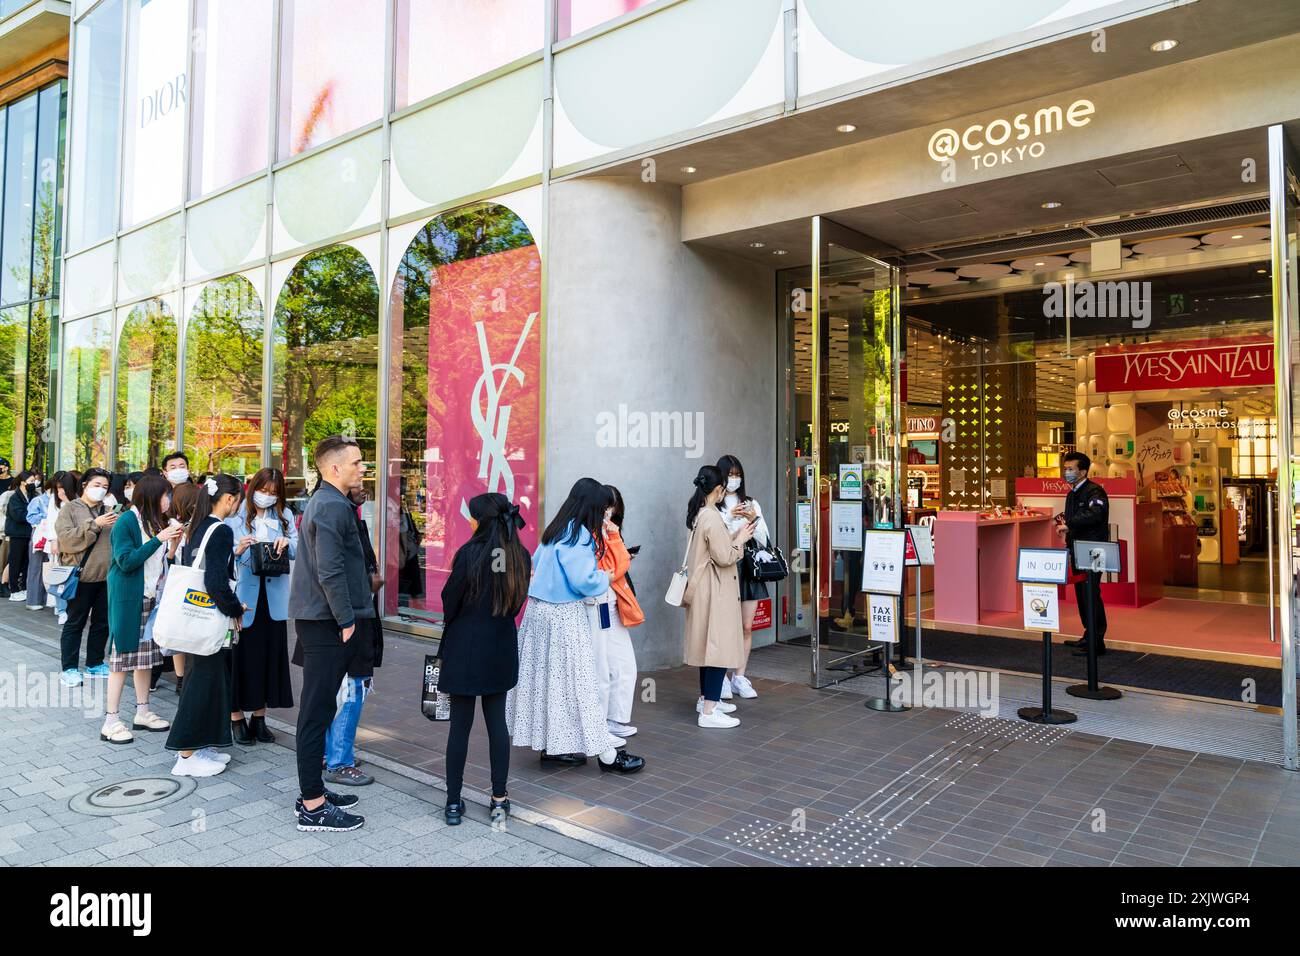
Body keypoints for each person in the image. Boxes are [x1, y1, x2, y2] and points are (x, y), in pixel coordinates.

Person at [507, 477, 644, 774]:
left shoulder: (555, 530)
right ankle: (606, 755)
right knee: (580, 685)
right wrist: (605, 577)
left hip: (538, 615)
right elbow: (585, 581)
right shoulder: (578, 534)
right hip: (564, 616)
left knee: (548, 684)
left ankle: (555, 746)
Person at [288, 436, 369, 832]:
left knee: (319, 709)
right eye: (356, 462)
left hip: (321, 619)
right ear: (334, 468)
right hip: (326, 622)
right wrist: (346, 619)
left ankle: (313, 792)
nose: (362, 467)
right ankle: (313, 807)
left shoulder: (330, 503)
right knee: (316, 711)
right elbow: (330, 570)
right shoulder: (331, 506)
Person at [437, 493, 530, 826]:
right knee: (497, 726)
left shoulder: (470, 554)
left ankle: (452, 801)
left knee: (459, 728)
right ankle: (499, 799)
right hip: (500, 648)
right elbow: (515, 604)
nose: (470, 521)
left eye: (473, 517)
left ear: (482, 521)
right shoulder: (519, 555)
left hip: (465, 648)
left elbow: (450, 600)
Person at [165, 476, 247, 777]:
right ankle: (185, 755)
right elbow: (215, 580)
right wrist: (235, 608)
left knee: (206, 682)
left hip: (195, 619)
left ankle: (201, 747)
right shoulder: (221, 530)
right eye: (238, 499)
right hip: (207, 620)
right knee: (201, 685)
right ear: (229, 499)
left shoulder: (199, 527)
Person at [103, 475, 184, 744]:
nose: (169, 501)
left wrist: (170, 543)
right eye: (165, 495)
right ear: (152, 496)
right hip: (129, 598)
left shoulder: (155, 522)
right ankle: (111, 720)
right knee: (122, 658)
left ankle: (143, 712)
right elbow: (126, 562)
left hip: (151, 597)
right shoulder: (127, 520)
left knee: (146, 658)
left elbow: (164, 563)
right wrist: (159, 539)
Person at [226, 467, 297, 746]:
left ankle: (259, 716)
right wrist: (239, 549)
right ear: (252, 487)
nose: (266, 497)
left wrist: (286, 541)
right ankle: (235, 718)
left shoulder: (285, 515)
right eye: (262, 490)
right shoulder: (236, 516)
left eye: (272, 493)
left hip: (275, 598)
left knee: (269, 658)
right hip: (244, 599)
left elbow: (297, 548)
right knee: (240, 659)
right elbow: (223, 556)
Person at [319, 484, 384, 786]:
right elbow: (335, 574)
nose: (363, 484)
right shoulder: (339, 516)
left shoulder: (348, 517)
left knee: (341, 688)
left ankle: (332, 752)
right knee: (352, 689)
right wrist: (348, 618)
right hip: (350, 617)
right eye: (356, 476)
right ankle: (339, 761)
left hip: (349, 614)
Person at [683, 464, 754, 728]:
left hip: (704, 589)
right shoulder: (711, 516)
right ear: (719, 489)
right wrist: (742, 539)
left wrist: (733, 535)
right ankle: (709, 712)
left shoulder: (701, 513)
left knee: (707, 646)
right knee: (716, 648)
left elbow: (715, 548)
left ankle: (707, 699)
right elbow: (724, 556)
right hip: (714, 591)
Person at [55, 469, 119, 687]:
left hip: (106, 577)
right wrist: (95, 524)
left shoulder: (108, 510)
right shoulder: (70, 509)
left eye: (104, 487)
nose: (101, 490)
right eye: (97, 484)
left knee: (102, 623)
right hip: (80, 577)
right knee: (75, 623)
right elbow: (66, 541)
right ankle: (69, 668)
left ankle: (94, 663)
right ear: (84, 485)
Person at [716, 454, 768, 699]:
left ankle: (739, 676)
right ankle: (721, 678)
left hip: (749, 567)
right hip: (725, 566)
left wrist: (752, 519)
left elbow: (765, 539)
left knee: (747, 626)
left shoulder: (751, 502)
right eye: (730, 475)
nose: (734, 479)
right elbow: (713, 538)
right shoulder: (714, 505)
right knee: (726, 626)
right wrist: (729, 518)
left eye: (738, 475)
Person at [594, 485, 643, 739]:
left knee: (624, 665)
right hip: (599, 606)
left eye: (614, 508)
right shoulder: (592, 533)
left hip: (615, 604)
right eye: (607, 507)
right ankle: (600, 725)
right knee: (602, 667)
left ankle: (617, 718)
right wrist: (615, 542)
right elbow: (614, 567)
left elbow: (619, 565)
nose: (610, 512)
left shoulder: (611, 531)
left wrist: (616, 542)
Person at [1057, 451, 1110, 657]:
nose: (1067, 472)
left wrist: (1069, 524)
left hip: (1094, 550)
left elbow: (1096, 514)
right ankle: (1088, 635)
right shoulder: (1072, 494)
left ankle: (1097, 642)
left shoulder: (1095, 491)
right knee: (1081, 593)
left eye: (1071, 469)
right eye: (1065, 469)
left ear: (1083, 471)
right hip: (1077, 549)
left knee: (1091, 593)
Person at [5, 469, 39, 604]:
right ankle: (13, 590)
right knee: (15, 562)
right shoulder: (14, 497)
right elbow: (18, 516)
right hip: (17, 534)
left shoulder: (33, 495)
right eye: (31, 481)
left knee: (26, 562)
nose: (34, 483)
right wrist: (33, 516)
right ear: (23, 482)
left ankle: (24, 587)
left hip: (29, 534)